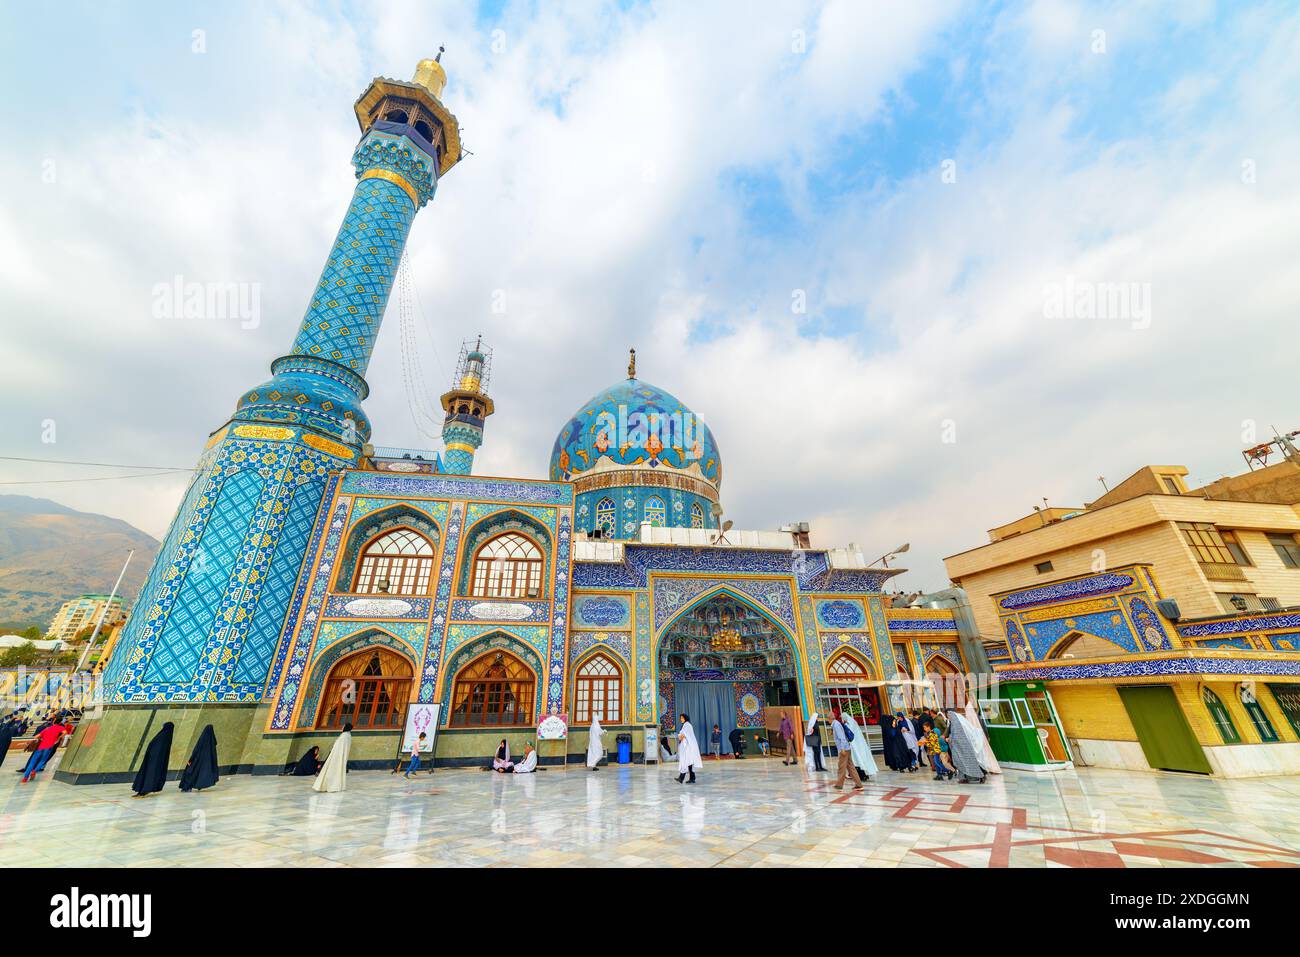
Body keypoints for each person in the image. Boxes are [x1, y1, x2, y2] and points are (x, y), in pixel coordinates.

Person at [132, 721, 175, 797]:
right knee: (149, 774)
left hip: (153, 761)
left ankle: (144, 790)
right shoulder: (166, 735)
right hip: (155, 761)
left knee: (149, 775)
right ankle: (143, 790)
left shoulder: (163, 735)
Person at [946, 709, 988, 784]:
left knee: (969, 763)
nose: (948, 717)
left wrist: (950, 739)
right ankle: (963, 778)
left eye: (948, 715)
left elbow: (957, 736)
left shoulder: (956, 723)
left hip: (962, 748)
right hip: (958, 748)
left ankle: (981, 776)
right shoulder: (955, 722)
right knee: (961, 763)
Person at [963, 699, 1002, 774]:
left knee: (984, 754)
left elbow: (983, 727)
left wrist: (986, 736)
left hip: (981, 738)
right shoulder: (977, 716)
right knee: (985, 753)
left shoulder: (977, 717)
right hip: (981, 737)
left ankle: (987, 768)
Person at [830, 708, 864, 791]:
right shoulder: (836, 724)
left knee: (841, 767)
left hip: (844, 749)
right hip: (847, 748)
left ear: (830, 718)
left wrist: (842, 749)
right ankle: (859, 785)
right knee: (851, 767)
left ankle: (839, 785)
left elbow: (842, 738)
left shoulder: (836, 724)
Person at [839, 707, 878, 780]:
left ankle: (862, 776)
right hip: (858, 744)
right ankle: (861, 775)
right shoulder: (852, 722)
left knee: (857, 759)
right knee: (858, 759)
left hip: (856, 745)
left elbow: (850, 735)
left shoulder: (849, 724)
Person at [178, 724, 219, 792]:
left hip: (198, 760)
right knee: (202, 774)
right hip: (206, 763)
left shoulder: (202, 739)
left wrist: (191, 759)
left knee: (192, 773)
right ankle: (199, 785)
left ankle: (187, 787)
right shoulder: (212, 741)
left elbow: (196, 749)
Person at [313, 722, 352, 793]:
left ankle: (331, 786)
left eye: (343, 726)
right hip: (339, 757)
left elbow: (338, 747)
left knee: (331, 771)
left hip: (336, 757)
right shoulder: (348, 736)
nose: (342, 727)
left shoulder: (344, 736)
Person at [676, 713, 702, 784]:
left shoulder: (687, 725)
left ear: (685, 718)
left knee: (687, 761)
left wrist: (679, 736)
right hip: (689, 746)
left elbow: (683, 736)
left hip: (689, 747)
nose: (681, 719)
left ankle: (682, 778)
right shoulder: (687, 725)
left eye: (682, 718)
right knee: (689, 762)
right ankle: (691, 778)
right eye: (680, 718)